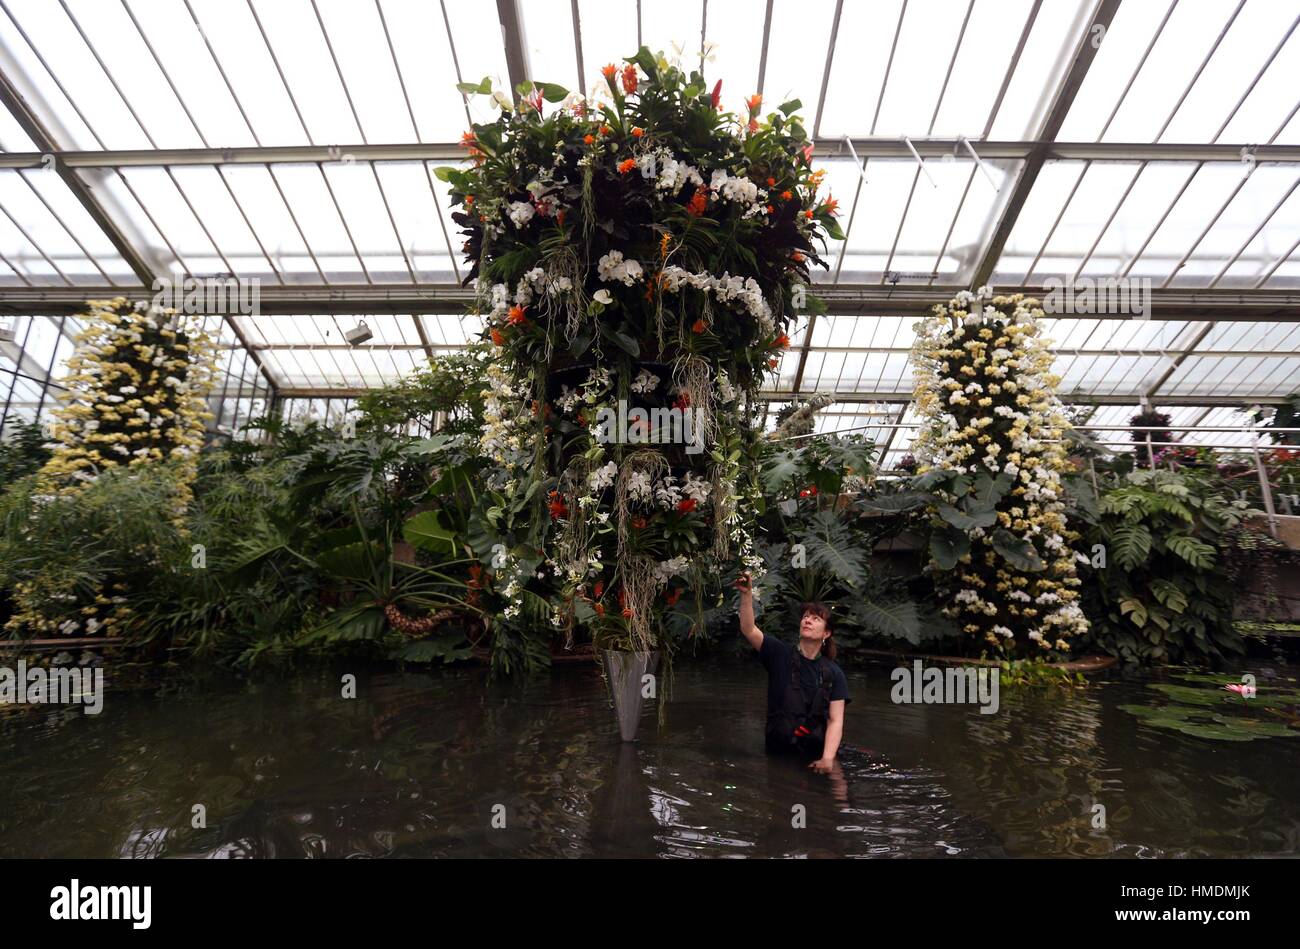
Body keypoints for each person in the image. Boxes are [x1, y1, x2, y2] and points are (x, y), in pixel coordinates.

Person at [735, 572, 850, 773]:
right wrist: (746, 595)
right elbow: (748, 629)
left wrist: (828, 759)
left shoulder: (834, 673)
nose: (807, 621)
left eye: (815, 619)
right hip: (778, 751)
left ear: (826, 633)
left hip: (815, 752)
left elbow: (835, 719)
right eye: (805, 617)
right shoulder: (779, 654)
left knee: (836, 794)